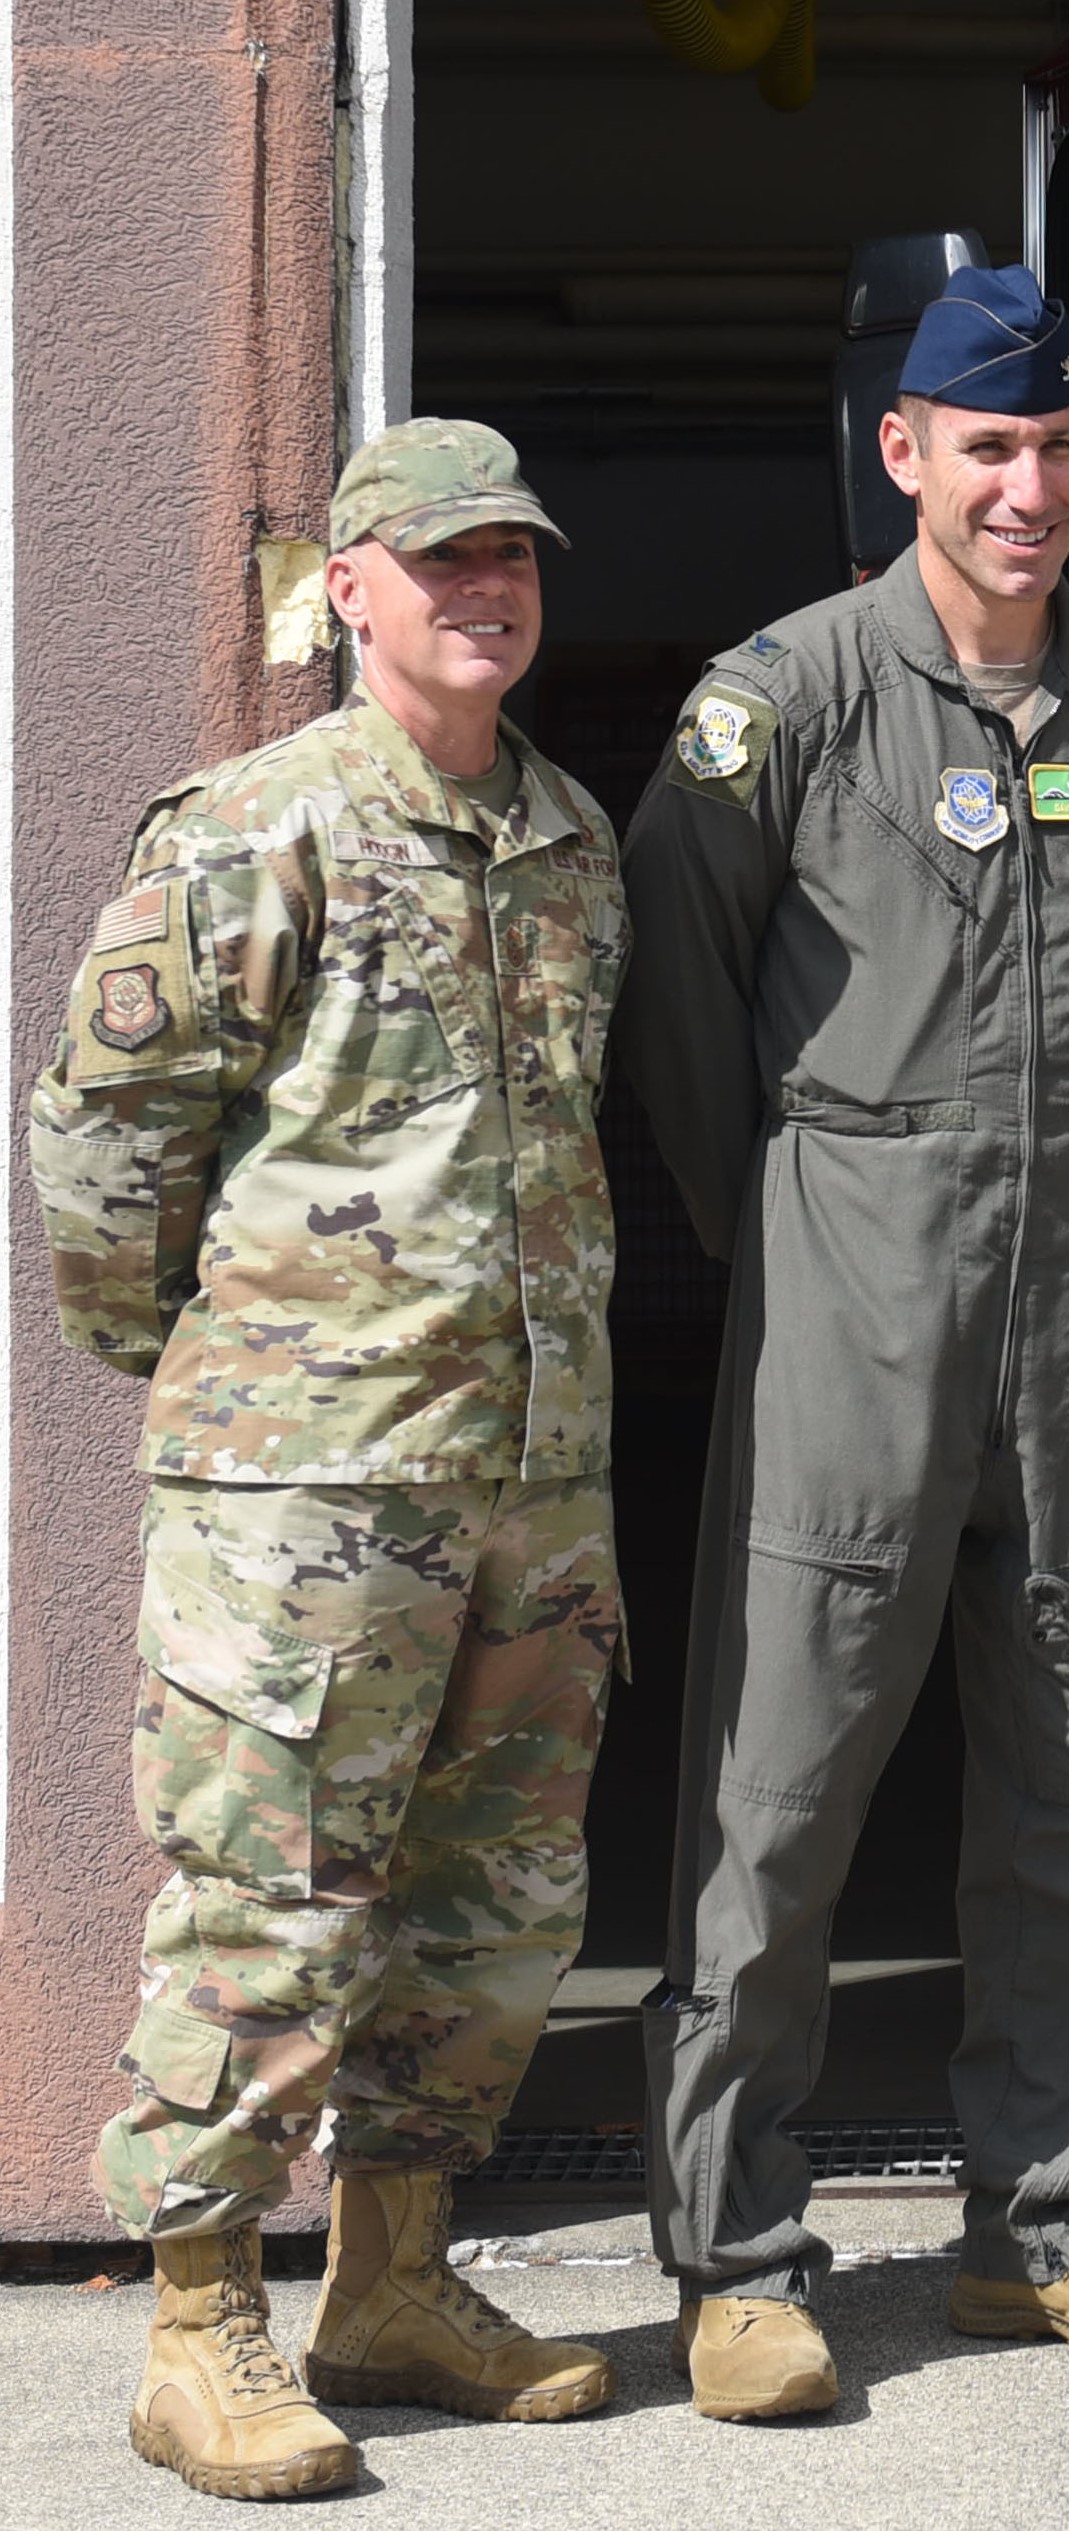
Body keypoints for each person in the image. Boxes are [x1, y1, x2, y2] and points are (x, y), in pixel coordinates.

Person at [620, 267, 1069, 2418]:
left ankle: (1046, 2220)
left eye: (1057, 452)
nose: (1027, 490)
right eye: (987, 449)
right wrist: (790, 1230)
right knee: (776, 1777)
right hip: (853, 1265)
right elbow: (679, 1008)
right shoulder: (781, 698)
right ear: (906, 456)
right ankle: (741, 2252)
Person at [31, 420, 627, 2499]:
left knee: (487, 1910)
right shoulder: (252, 828)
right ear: (350, 590)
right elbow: (107, 1149)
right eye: (443, 559)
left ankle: (395, 2279)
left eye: (516, 560)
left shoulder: (568, 834)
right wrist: (211, 1371)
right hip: (304, 1485)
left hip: (529, 1485)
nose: (489, 589)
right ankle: (204, 2324)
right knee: (268, 1904)